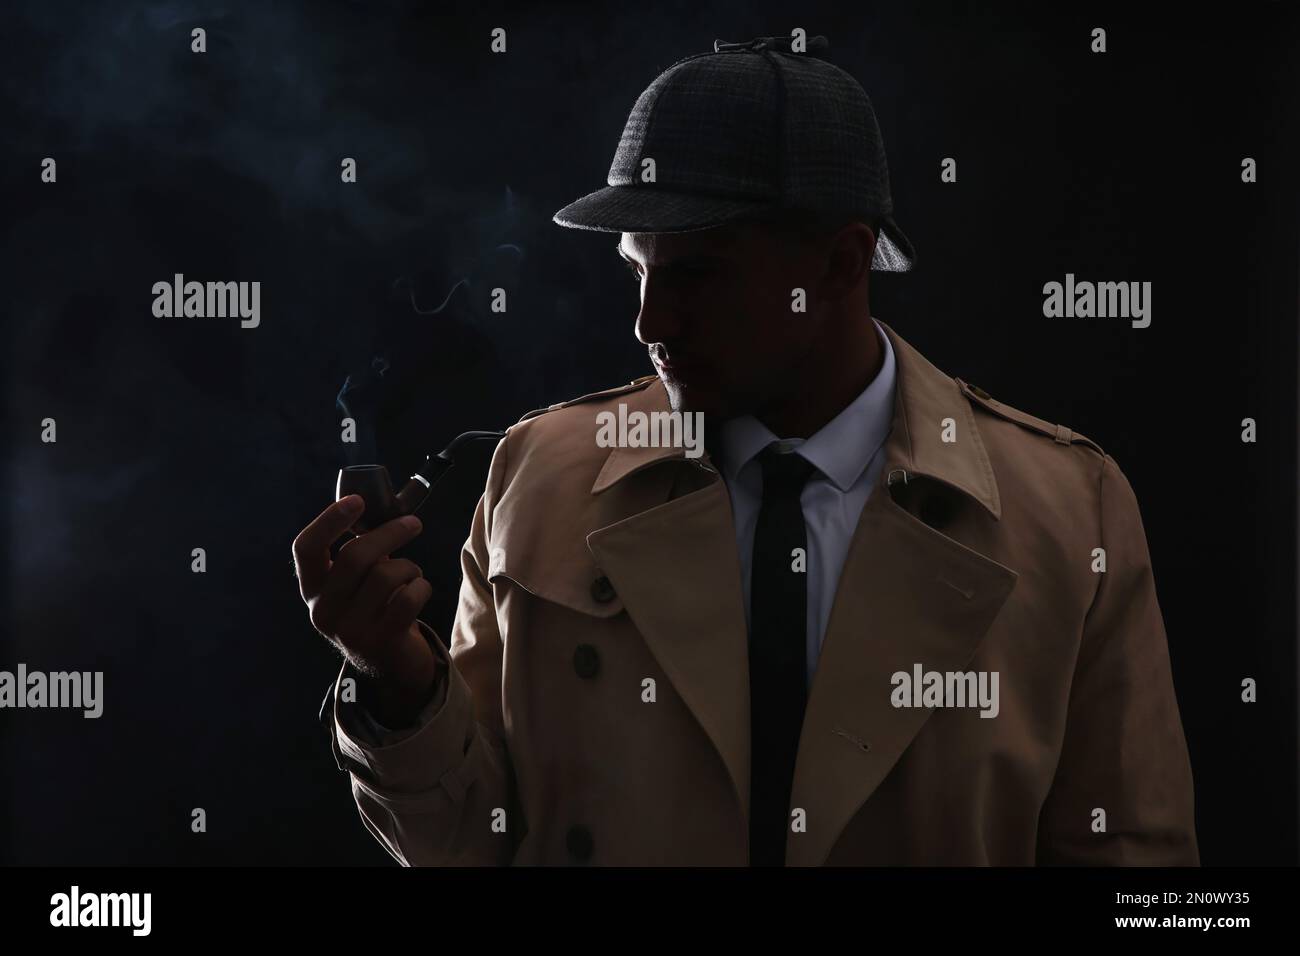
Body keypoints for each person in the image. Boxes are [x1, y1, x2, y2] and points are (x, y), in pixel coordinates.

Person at [292, 35, 1198, 866]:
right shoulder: (538, 479)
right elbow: (470, 848)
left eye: (697, 272)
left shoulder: (1068, 510)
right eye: (639, 270)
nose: (649, 321)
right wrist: (398, 683)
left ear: (844, 265)